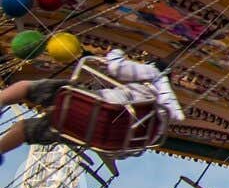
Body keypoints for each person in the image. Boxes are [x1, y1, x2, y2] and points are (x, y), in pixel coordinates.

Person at [0, 48, 184, 158]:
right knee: (26, 130)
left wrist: (115, 53)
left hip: (95, 107)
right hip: (98, 136)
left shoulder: (152, 73)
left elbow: (116, 68)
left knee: (26, 88)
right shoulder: (163, 112)